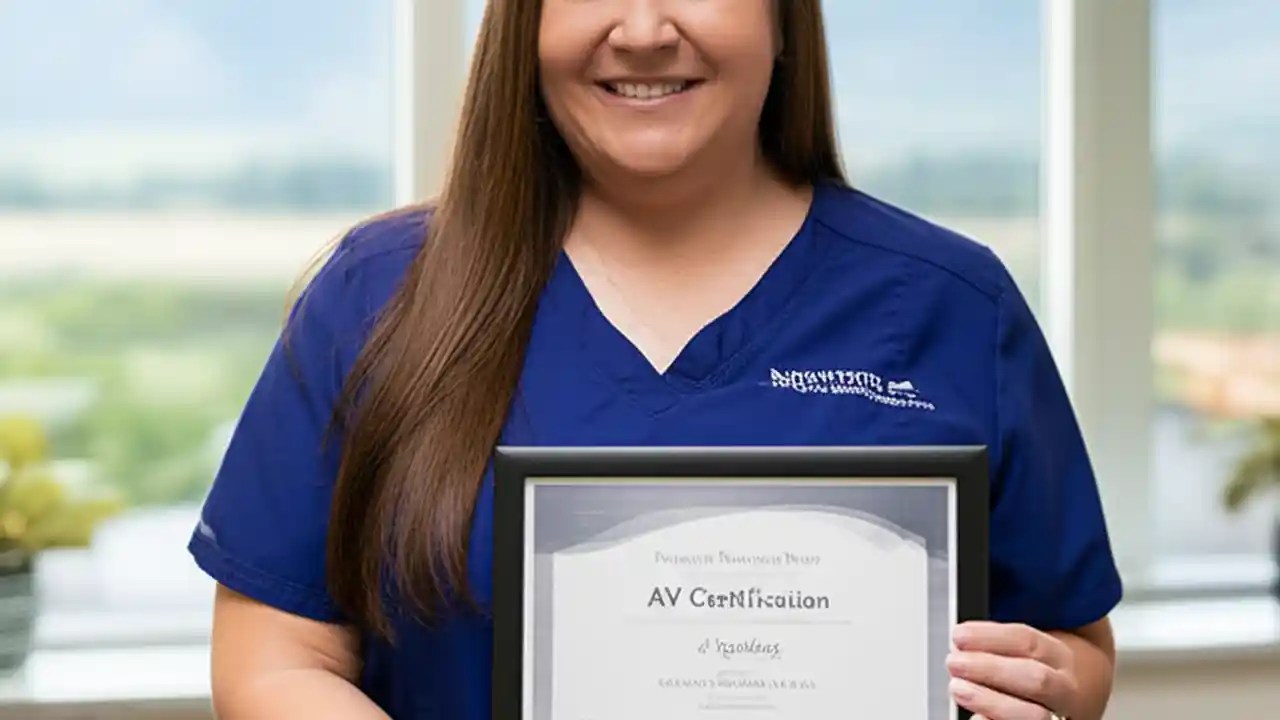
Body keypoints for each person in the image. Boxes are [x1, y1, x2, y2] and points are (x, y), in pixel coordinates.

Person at [189, 1, 1123, 718]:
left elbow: (1074, 644)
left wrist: (1051, 685)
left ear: (782, 20)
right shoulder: (376, 295)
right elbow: (275, 653)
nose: (641, 30)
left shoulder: (951, 303)